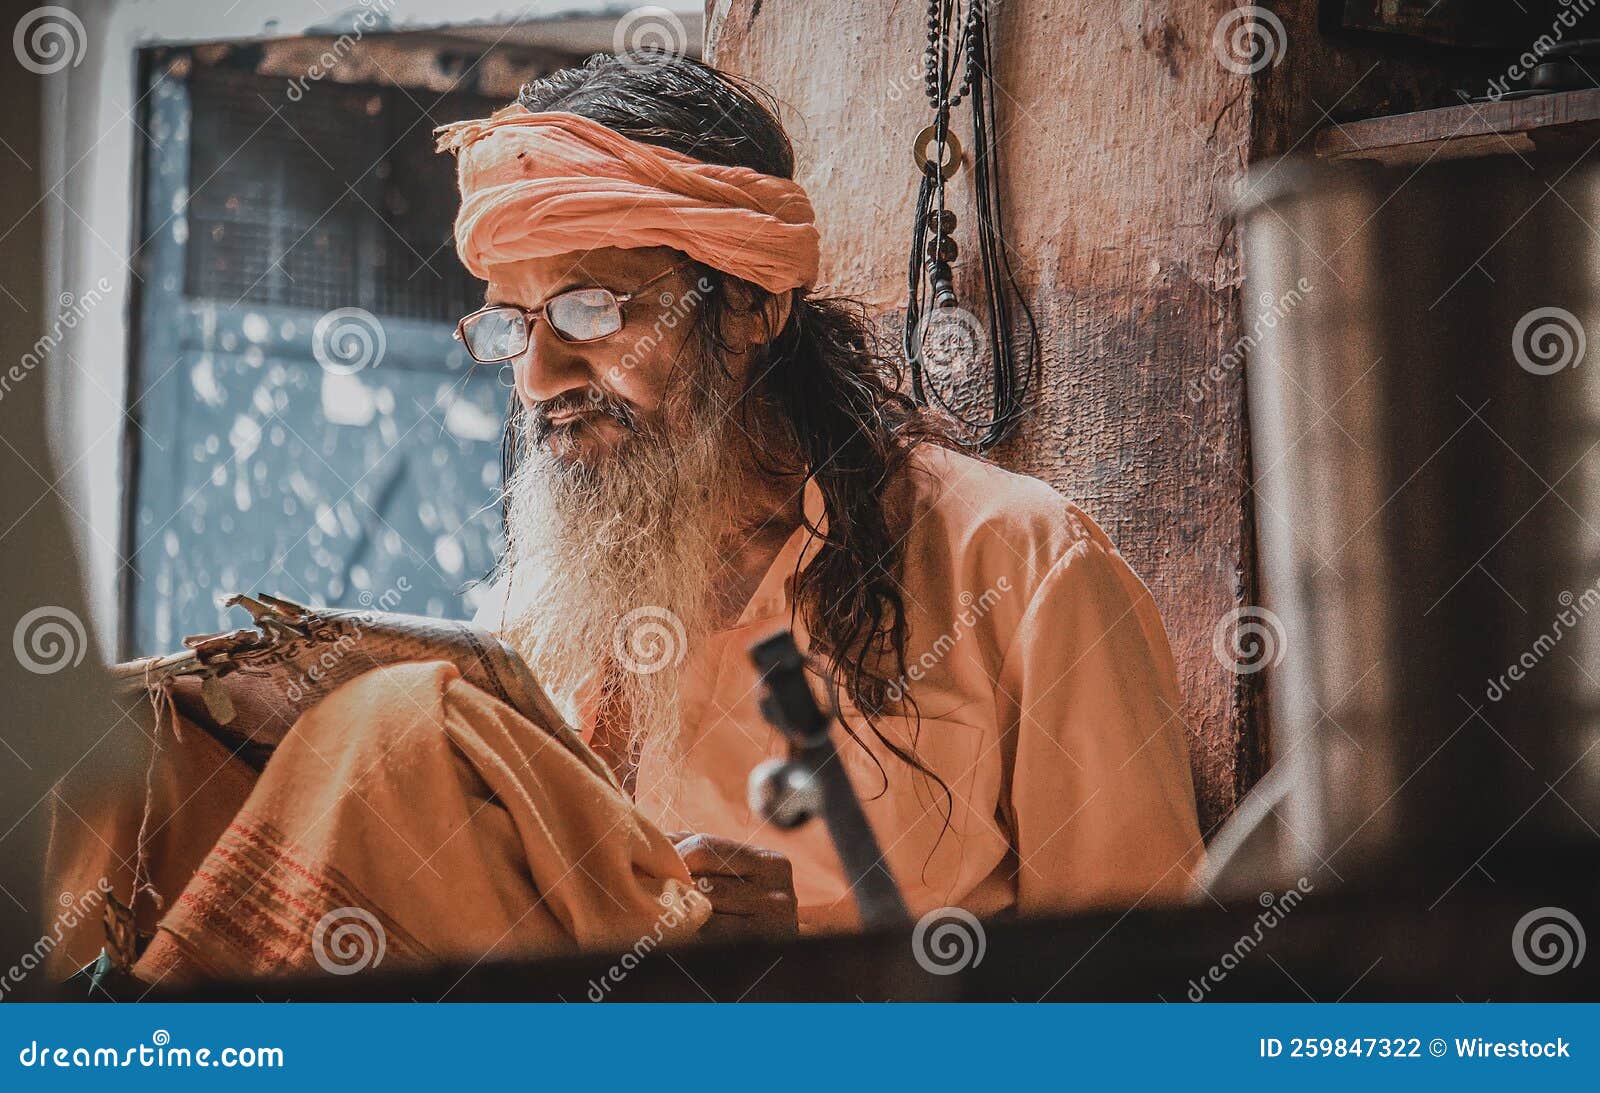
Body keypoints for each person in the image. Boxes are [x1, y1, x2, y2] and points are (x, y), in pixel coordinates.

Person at [47, 50, 1202, 984]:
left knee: (402, 729)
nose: (540, 373)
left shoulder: (1018, 565)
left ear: (747, 305)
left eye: (593, 309)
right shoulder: (559, 589)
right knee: (141, 754)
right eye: (513, 323)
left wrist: (813, 966)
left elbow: (1145, 1006)